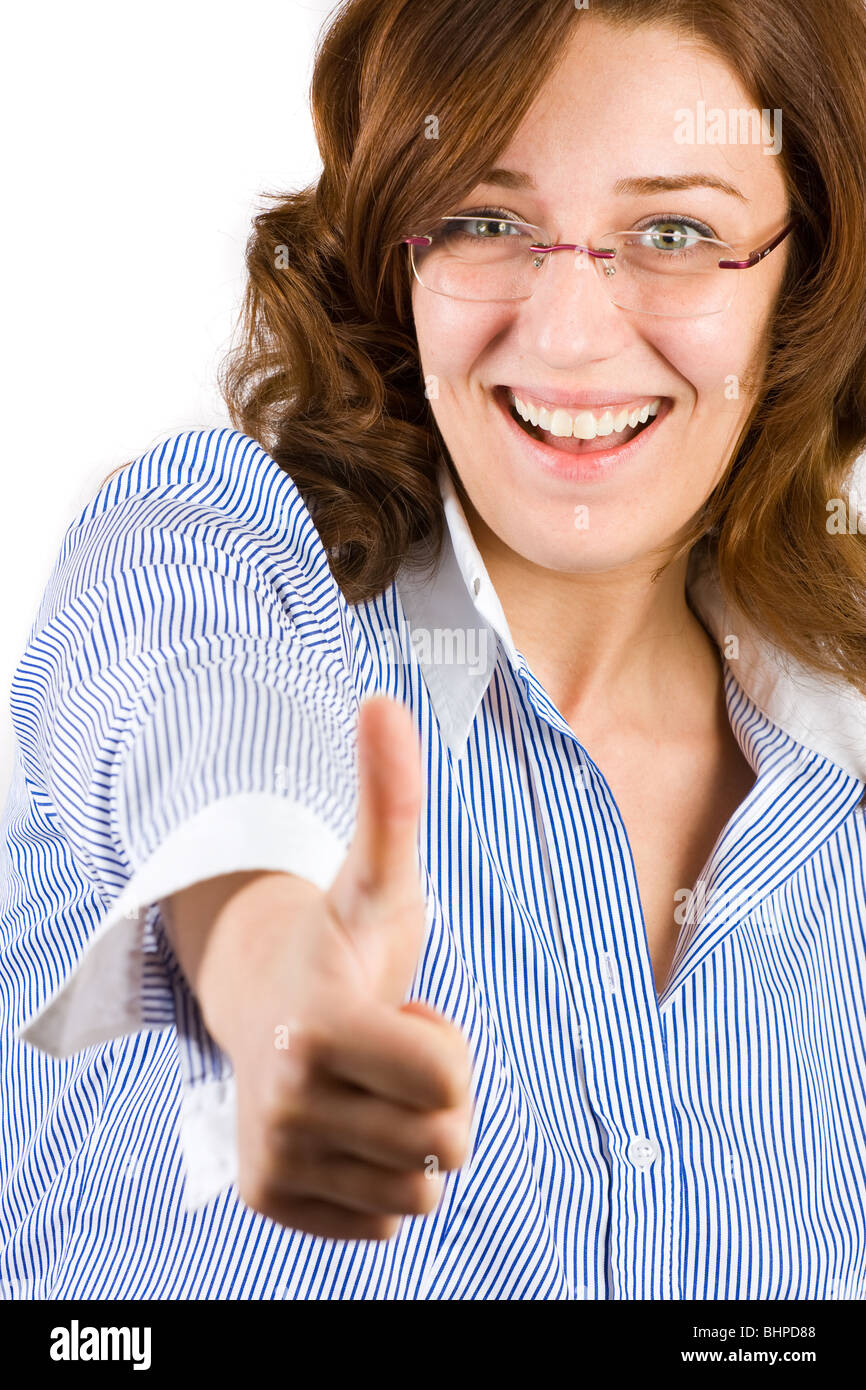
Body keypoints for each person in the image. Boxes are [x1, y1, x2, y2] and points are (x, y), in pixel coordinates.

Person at [2, 0, 866, 1301]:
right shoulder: (224, 563)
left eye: (674, 231)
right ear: (395, 251)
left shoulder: (836, 785)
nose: (570, 334)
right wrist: (261, 961)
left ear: (806, 272)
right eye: (484, 219)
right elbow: (179, 682)